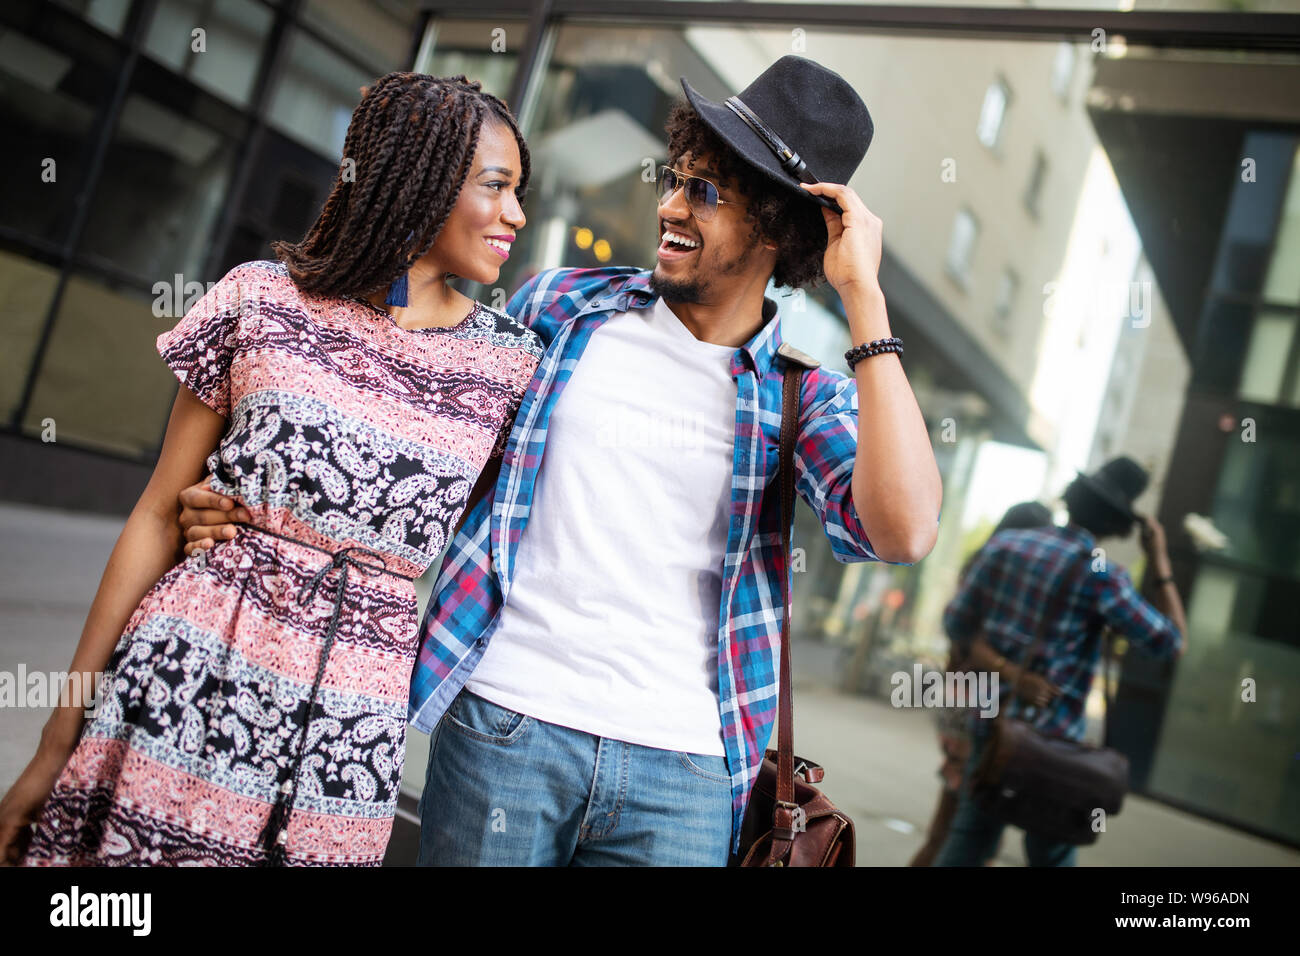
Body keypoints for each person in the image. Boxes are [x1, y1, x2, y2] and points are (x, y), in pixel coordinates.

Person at [176, 55, 943, 866]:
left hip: (684, 771)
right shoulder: (561, 309)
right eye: (678, 178)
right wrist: (266, 514)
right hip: (505, 726)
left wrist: (865, 297)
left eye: (707, 193)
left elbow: (903, 531)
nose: (671, 206)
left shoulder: (803, 399)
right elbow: (417, 433)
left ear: (779, 231)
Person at [0, 72, 544, 867]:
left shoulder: (512, 366)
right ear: (420, 181)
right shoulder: (258, 300)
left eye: (519, 193)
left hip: (350, 731)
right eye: (496, 188)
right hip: (190, 677)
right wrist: (56, 740)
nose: (516, 216)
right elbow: (159, 511)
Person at [932, 456, 1187, 867]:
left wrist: (1006, 670)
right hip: (1050, 745)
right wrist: (1160, 561)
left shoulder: (1005, 546)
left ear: (1074, 499)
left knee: (968, 842)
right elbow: (1170, 643)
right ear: (1118, 524)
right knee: (1051, 854)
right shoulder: (1103, 576)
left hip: (992, 731)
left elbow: (956, 624)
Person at [908, 501, 1052, 868]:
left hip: (961, 695)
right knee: (958, 831)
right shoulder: (1009, 579)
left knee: (963, 829)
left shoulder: (982, 567)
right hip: (981, 704)